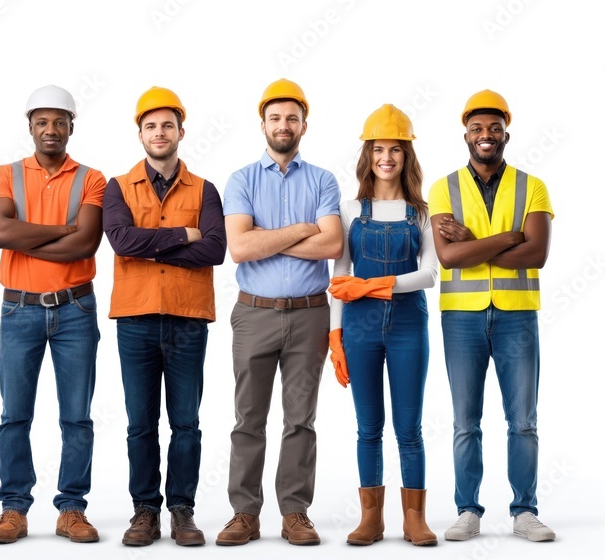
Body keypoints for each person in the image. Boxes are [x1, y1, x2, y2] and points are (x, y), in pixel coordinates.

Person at [217, 78, 342, 547]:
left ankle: (295, 512)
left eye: (292, 118)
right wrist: (302, 228)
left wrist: (273, 235)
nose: (283, 125)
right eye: (275, 118)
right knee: (248, 418)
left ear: (304, 125)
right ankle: (244, 513)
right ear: (263, 124)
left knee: (300, 419)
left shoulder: (324, 180)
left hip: (310, 313)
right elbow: (241, 247)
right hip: (254, 314)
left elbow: (331, 243)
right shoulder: (242, 180)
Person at [429, 90, 555, 543]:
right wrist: (507, 238)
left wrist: (473, 243)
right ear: (466, 133)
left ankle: (524, 511)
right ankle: (468, 510)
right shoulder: (442, 187)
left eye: (494, 128)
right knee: (466, 421)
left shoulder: (532, 186)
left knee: (522, 419)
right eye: (478, 128)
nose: (486, 135)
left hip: (517, 316)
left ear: (506, 133)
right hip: (461, 317)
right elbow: (448, 257)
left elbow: (536, 254)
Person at [103, 87, 226, 547]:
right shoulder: (118, 186)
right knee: (139, 422)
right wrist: (182, 234)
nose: (159, 133)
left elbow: (214, 249)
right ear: (140, 133)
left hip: (188, 319)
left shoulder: (205, 189)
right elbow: (120, 241)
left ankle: (182, 510)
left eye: (167, 126)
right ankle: (144, 511)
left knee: (186, 422)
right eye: (151, 126)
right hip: (134, 319)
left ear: (181, 132)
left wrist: (151, 244)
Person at [0, 85, 107, 544]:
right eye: (42, 122)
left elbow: (87, 243)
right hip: (20, 308)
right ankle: (13, 509)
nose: (50, 130)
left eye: (60, 122)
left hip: (76, 307)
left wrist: (28, 236)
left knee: (76, 416)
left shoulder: (93, 178)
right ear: (30, 126)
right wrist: (62, 228)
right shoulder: (5, 174)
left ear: (72, 126)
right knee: (14, 415)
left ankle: (72, 509)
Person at [327, 104, 438, 546]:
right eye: (378, 149)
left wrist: (371, 285)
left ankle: (415, 520)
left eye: (395, 149)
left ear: (407, 156)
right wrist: (335, 335)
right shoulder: (349, 208)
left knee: (409, 428)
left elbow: (430, 275)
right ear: (367, 155)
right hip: (359, 330)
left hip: (410, 326)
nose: (386, 157)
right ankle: (371, 519)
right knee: (368, 427)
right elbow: (339, 278)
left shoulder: (421, 212)